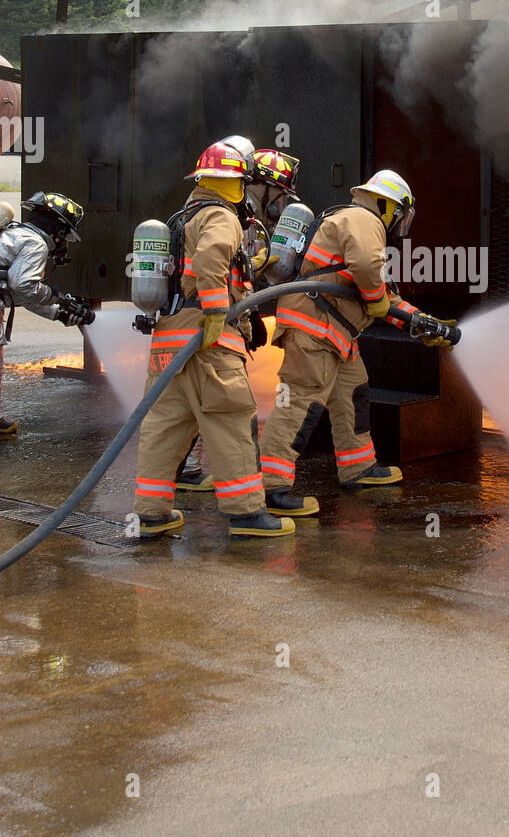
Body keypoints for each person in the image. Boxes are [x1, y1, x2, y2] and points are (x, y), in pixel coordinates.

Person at [258, 169, 454, 513]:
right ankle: (270, 489)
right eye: (400, 213)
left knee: (353, 394)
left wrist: (425, 325)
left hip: (334, 335)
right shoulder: (364, 219)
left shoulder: (354, 221)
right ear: (386, 205)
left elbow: (382, 298)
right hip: (314, 331)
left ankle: (358, 468)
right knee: (299, 406)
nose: (399, 223)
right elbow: (367, 271)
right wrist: (377, 298)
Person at [130, 140, 294, 539]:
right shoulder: (222, 215)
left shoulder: (184, 216)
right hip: (208, 344)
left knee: (164, 427)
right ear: (238, 183)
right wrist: (219, 314)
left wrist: (248, 290)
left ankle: (151, 513)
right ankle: (246, 513)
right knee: (231, 421)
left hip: (169, 344)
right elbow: (209, 260)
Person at [174, 145, 302, 491]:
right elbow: (216, 270)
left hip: (198, 320)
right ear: (263, 186)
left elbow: (236, 275)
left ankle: (184, 471)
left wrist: (251, 314)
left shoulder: (239, 215)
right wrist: (228, 317)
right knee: (230, 407)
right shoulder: (226, 214)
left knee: (194, 401)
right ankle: (243, 498)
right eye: (280, 195)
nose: (281, 205)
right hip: (205, 321)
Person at [0, 192, 92, 437]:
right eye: (65, 236)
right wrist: (58, 297)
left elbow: (19, 292)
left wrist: (58, 313)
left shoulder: (14, 235)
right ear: (58, 231)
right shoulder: (35, 243)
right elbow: (24, 285)